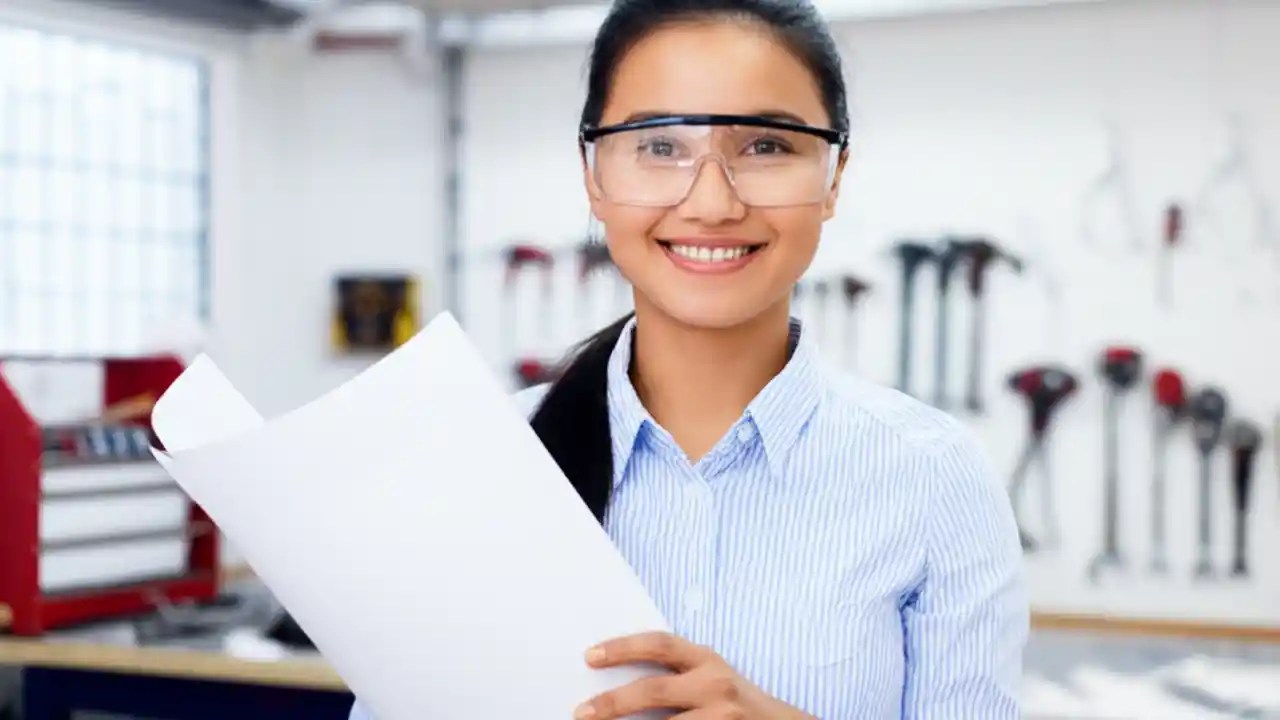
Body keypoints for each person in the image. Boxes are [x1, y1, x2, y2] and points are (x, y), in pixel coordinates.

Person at [350, 0, 1026, 717]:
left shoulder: (934, 477)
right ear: (593, 174)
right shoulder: (480, 466)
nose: (711, 203)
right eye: (658, 145)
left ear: (833, 177)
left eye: (766, 147)